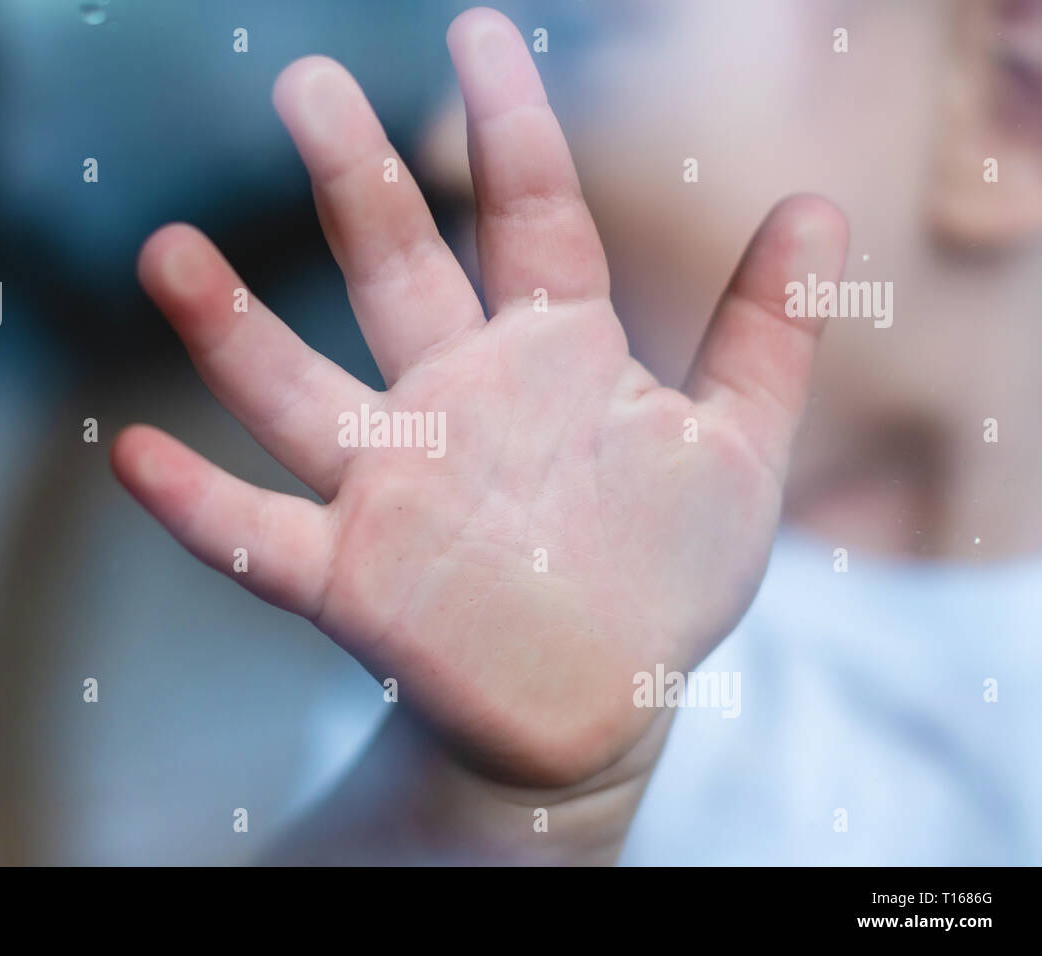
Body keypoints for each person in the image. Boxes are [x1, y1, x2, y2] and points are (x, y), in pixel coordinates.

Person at [111, 3, 1042, 864]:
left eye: (586, 34)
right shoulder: (532, 617)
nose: (440, 145)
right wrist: (487, 813)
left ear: (1009, 98)